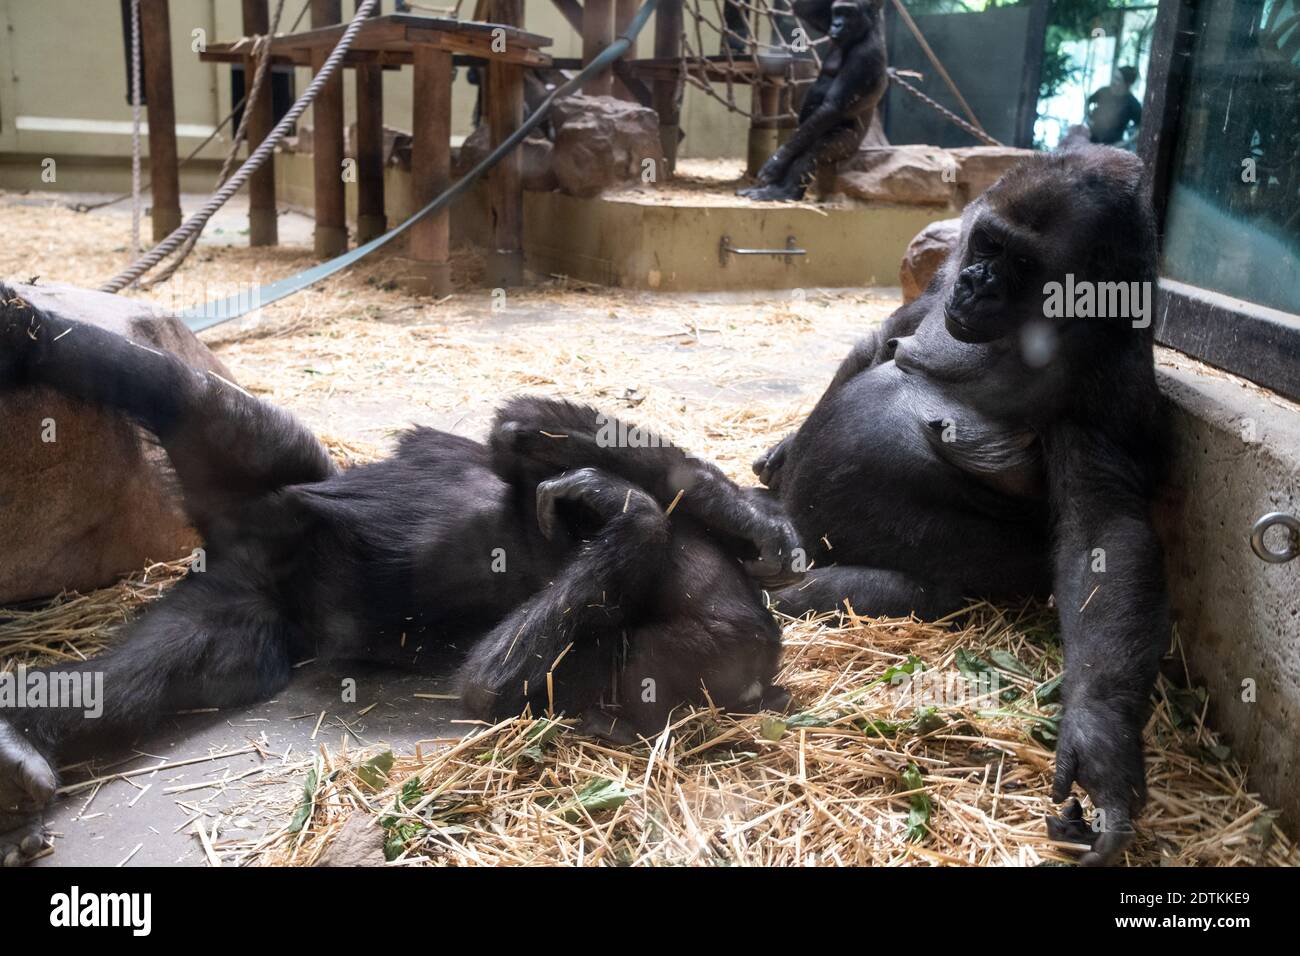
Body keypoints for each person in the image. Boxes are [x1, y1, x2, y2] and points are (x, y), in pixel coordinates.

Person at [1086, 65, 1142, 145]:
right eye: (1113, 77)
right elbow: (1088, 101)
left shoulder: (1133, 104)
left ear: (1127, 84)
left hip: (1112, 148)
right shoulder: (1104, 91)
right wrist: (1087, 116)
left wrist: (1124, 143)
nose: (1112, 81)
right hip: (1091, 140)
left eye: (1117, 79)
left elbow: (1141, 128)